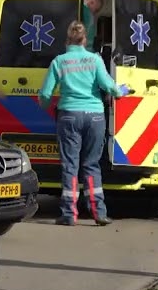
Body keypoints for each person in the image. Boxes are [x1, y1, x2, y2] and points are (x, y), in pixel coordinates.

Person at [38, 21, 130, 226]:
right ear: (85, 40)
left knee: (70, 165)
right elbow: (109, 87)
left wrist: (44, 105)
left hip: (69, 115)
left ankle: (69, 214)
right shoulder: (95, 60)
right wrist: (122, 91)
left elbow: (45, 94)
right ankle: (99, 213)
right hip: (95, 116)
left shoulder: (59, 62)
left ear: (67, 40)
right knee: (91, 165)